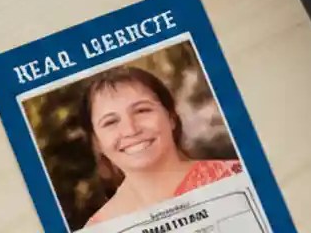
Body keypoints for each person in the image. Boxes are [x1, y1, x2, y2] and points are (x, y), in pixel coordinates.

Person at [79, 66, 242, 228]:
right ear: (97, 142)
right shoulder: (99, 228)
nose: (131, 129)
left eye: (142, 110)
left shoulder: (236, 177)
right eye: (110, 122)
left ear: (171, 117)